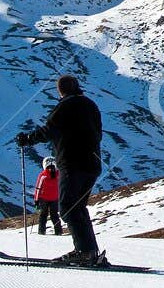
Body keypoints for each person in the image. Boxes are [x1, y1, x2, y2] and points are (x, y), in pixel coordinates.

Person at [17, 76, 106, 266]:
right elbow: (98, 134)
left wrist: (27, 140)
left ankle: (84, 252)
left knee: (67, 207)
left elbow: (49, 130)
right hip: (92, 164)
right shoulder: (91, 105)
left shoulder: (64, 107)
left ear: (60, 91)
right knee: (78, 207)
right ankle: (90, 251)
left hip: (72, 164)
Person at [33, 159, 62, 236]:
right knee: (54, 215)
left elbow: (38, 188)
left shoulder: (43, 175)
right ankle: (58, 231)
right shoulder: (58, 174)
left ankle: (41, 231)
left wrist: (36, 200)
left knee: (43, 215)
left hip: (44, 198)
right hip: (55, 198)